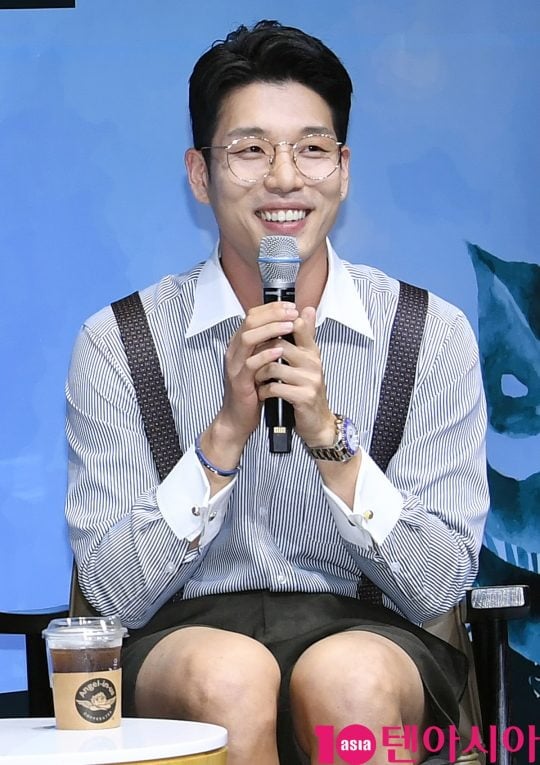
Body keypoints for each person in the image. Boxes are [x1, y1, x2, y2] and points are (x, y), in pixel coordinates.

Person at [65, 19, 489, 765]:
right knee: (228, 676)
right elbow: (109, 592)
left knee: (349, 678)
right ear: (201, 174)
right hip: (181, 639)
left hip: (372, 632)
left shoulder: (429, 333)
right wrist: (222, 438)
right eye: (250, 150)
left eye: (312, 149)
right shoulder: (120, 340)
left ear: (344, 169)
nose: (285, 178)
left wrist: (332, 442)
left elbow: (441, 584)